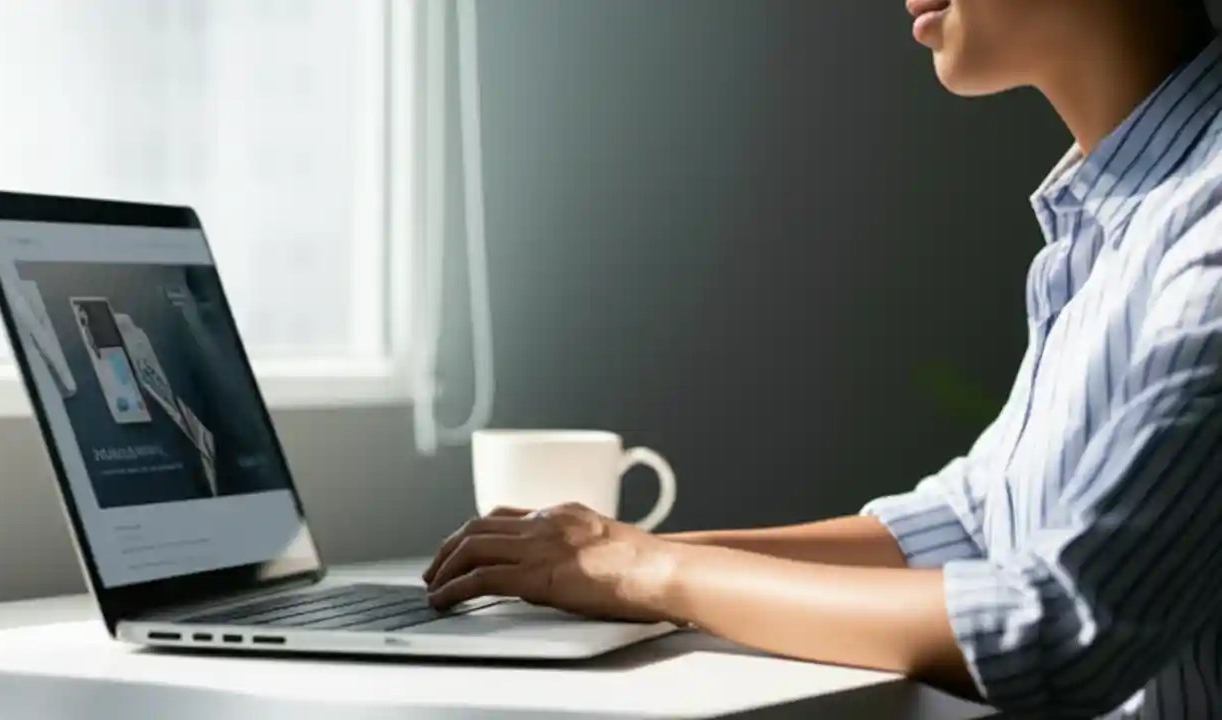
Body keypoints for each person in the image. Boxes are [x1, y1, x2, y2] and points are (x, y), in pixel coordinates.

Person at [423, 1, 1222, 716]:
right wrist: (596, 557)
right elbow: (974, 521)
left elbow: (1063, 624)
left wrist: (649, 573)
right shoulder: (1122, 217)